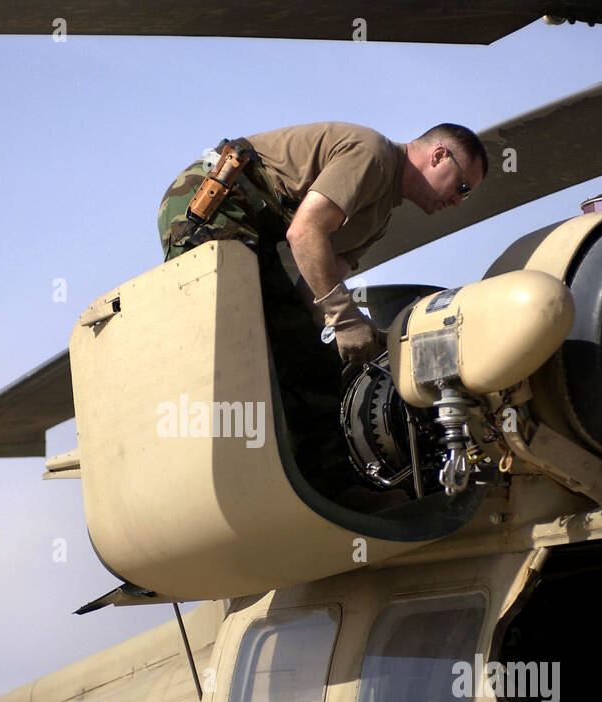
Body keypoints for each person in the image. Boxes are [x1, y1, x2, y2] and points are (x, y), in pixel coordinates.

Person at [157, 122, 486, 500]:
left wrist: (366, 342)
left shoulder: (378, 217)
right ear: (439, 155)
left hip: (250, 223)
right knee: (250, 346)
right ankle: (294, 489)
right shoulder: (374, 155)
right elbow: (304, 233)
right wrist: (346, 321)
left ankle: (329, 490)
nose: (459, 201)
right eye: (462, 187)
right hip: (212, 204)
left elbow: (310, 294)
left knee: (306, 354)